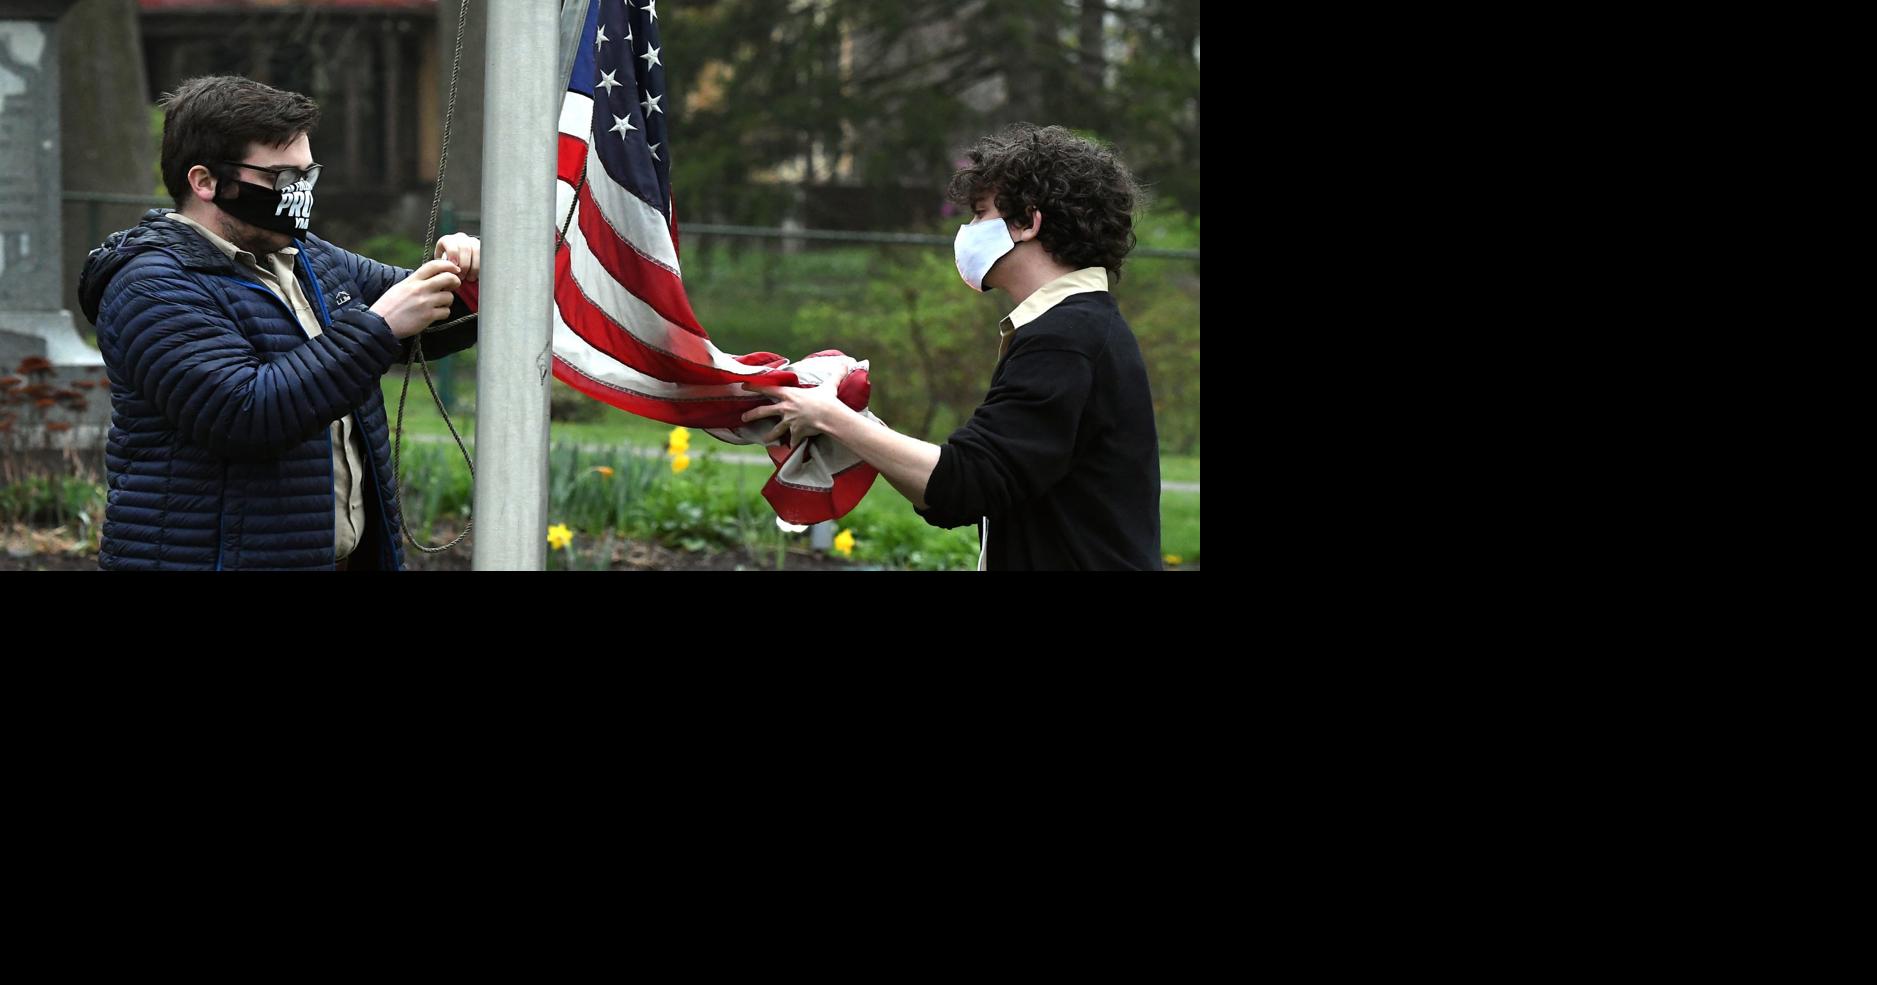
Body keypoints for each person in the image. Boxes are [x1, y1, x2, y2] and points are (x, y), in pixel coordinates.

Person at [77, 75, 481, 570]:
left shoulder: (305, 256)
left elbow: (425, 317)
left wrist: (467, 275)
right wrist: (378, 326)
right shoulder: (151, 284)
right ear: (204, 181)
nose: (298, 194)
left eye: (306, 176)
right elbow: (245, 414)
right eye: (279, 178)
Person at [742, 123, 1161, 570]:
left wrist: (832, 418)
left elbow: (966, 484)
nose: (968, 230)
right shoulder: (1081, 327)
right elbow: (976, 483)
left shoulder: (1066, 339)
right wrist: (856, 420)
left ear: (1026, 222)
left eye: (981, 213)